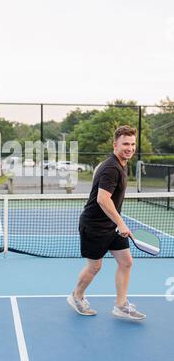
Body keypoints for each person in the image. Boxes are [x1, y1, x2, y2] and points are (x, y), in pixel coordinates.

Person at [67, 125, 146, 320]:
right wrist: (121, 223)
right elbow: (103, 199)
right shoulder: (111, 168)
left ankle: (121, 305)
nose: (130, 148)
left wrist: (117, 223)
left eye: (132, 144)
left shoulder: (118, 164)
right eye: (125, 144)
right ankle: (76, 296)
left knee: (126, 262)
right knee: (95, 267)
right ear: (115, 145)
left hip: (110, 225)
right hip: (94, 226)